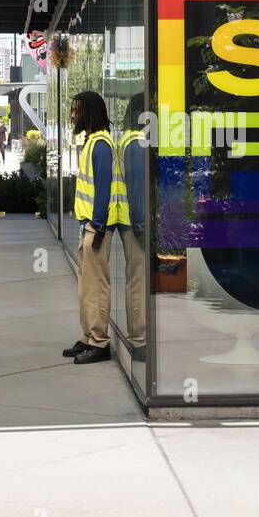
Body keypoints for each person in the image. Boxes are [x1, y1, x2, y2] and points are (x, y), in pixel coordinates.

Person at [62, 91, 123, 365]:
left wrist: (97, 228)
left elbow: (103, 190)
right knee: (86, 286)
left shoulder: (100, 144)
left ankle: (100, 342)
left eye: (77, 110)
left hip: (97, 228)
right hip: (88, 225)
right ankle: (88, 337)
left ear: (89, 112)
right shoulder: (91, 142)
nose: (73, 114)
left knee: (96, 286)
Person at [116, 96, 147, 358]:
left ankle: (140, 335)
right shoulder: (136, 142)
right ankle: (139, 339)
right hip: (135, 221)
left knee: (136, 277)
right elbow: (137, 188)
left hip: (132, 220)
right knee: (138, 278)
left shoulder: (129, 138)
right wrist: (141, 226)